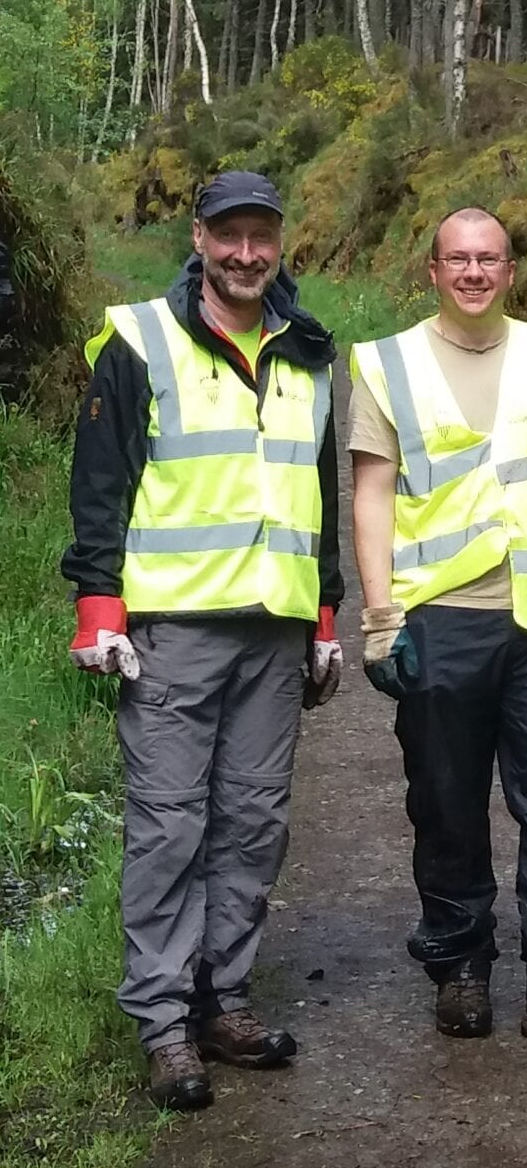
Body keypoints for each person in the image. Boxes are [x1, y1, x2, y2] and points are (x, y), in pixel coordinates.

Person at [62, 170, 345, 1112]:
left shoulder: (307, 353)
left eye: (262, 235)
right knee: (171, 822)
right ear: (199, 236)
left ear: (279, 240)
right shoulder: (141, 341)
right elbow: (99, 485)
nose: (246, 254)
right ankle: (165, 1021)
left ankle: (224, 998)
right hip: (172, 628)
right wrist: (97, 610)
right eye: (229, 236)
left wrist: (327, 615)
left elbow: (321, 499)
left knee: (253, 822)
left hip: (274, 628)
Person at [349, 206, 527, 1058]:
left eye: (491, 258)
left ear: (512, 270)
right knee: (446, 802)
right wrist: (378, 617)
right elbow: (371, 491)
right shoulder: (390, 364)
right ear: (432, 270)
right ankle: (461, 964)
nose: (475, 272)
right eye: (458, 259)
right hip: (439, 619)